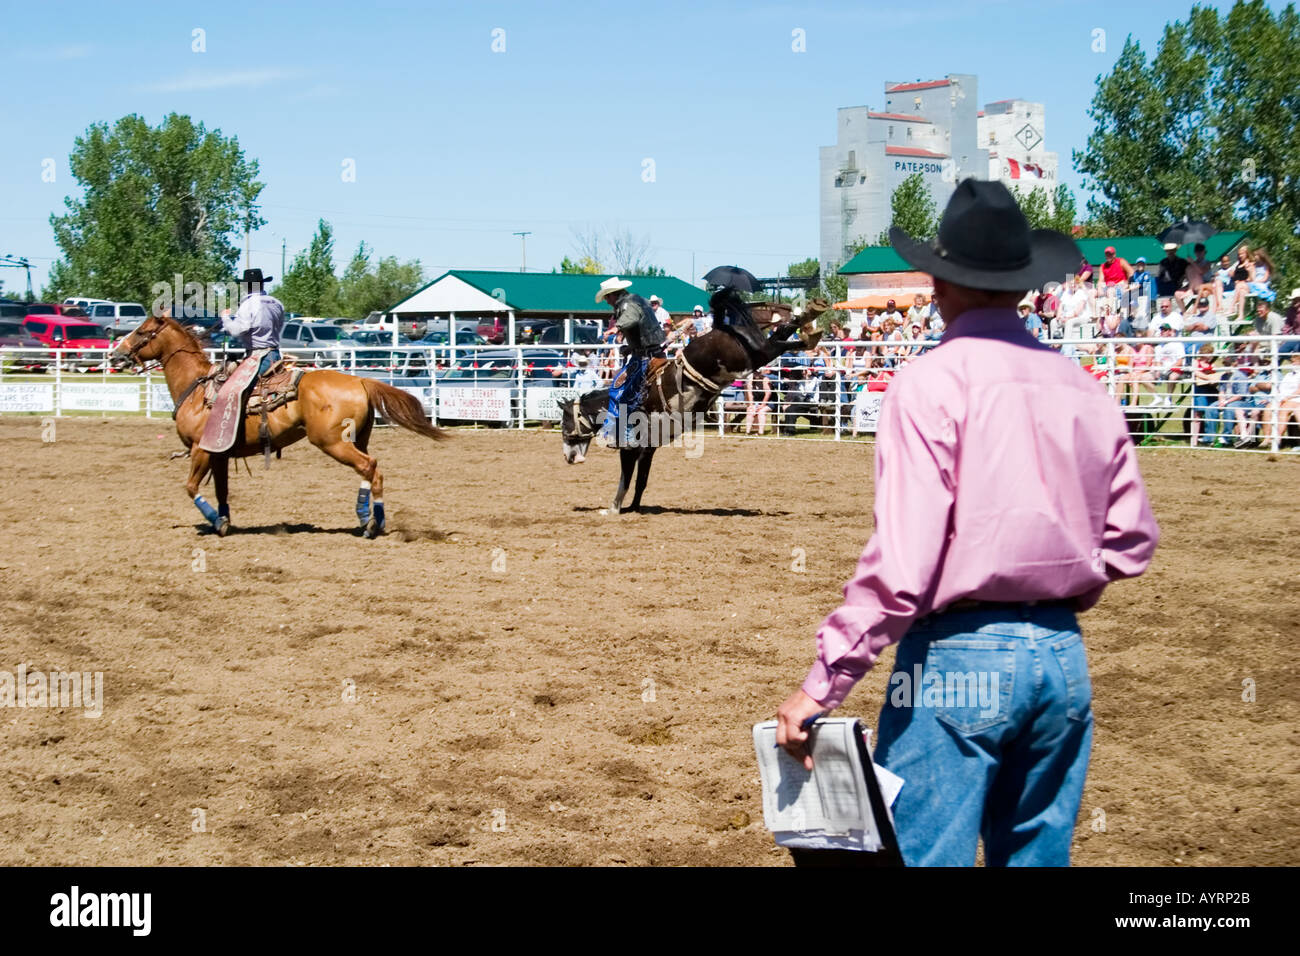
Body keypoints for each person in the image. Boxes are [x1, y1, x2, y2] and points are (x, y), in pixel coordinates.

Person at [775, 179, 1158, 867]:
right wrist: (1055, 583)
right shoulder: (1085, 388)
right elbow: (1131, 542)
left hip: (956, 658)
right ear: (1022, 285)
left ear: (938, 281)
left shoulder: (928, 384)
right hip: (1061, 656)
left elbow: (902, 566)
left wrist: (821, 685)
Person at [594, 277, 666, 446]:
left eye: (607, 297)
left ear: (613, 294)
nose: (606, 301)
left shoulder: (628, 304)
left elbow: (631, 318)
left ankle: (628, 435)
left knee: (628, 395)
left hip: (645, 356)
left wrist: (615, 328)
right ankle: (615, 430)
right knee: (616, 388)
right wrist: (631, 348)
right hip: (644, 352)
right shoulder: (637, 300)